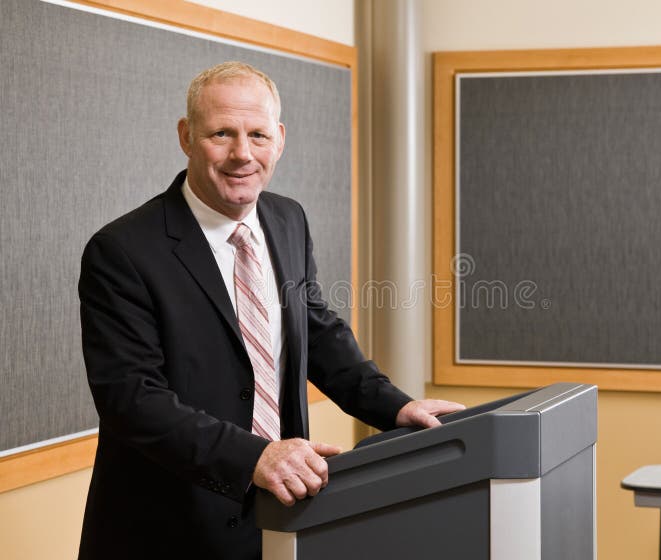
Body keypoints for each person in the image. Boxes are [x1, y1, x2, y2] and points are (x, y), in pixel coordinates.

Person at [77, 61, 464, 560]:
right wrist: (254, 457)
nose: (243, 154)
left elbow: (316, 331)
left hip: (283, 517)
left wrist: (394, 406)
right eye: (222, 133)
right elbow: (132, 400)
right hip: (166, 531)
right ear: (186, 136)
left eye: (258, 134)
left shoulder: (287, 218)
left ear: (279, 138)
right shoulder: (122, 250)